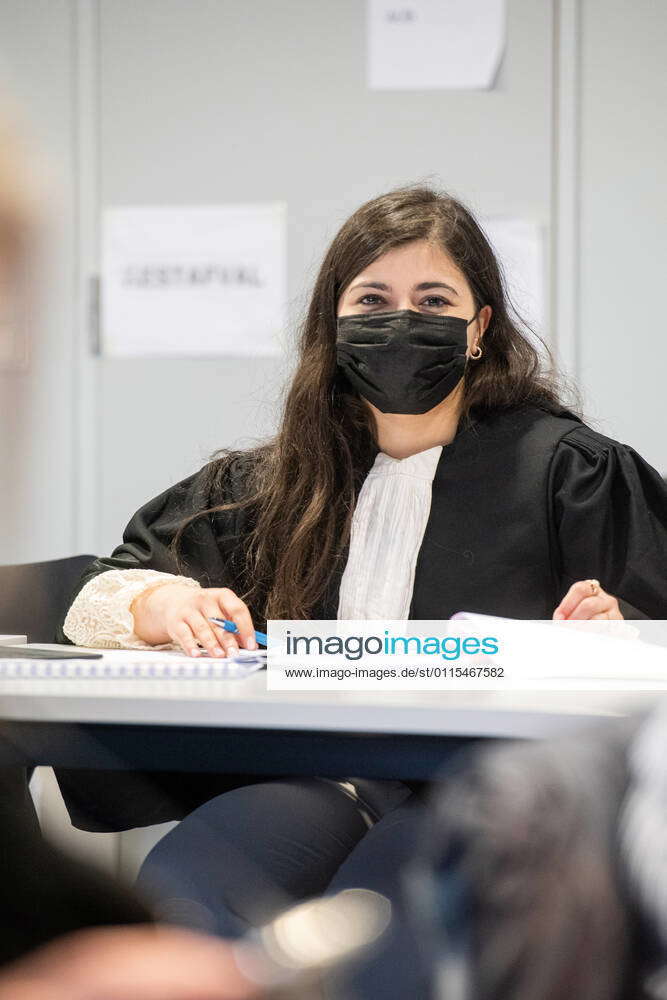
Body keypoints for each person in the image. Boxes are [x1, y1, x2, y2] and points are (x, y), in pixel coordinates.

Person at [56, 184, 667, 995]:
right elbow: (99, 591)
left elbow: (653, 633)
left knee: (385, 932)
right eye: (372, 299)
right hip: (310, 783)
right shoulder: (270, 481)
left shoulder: (570, 472)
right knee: (184, 898)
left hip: (472, 790)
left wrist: (616, 629)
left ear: (479, 326)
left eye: (433, 300)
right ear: (334, 326)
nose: (401, 320)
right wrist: (157, 605)